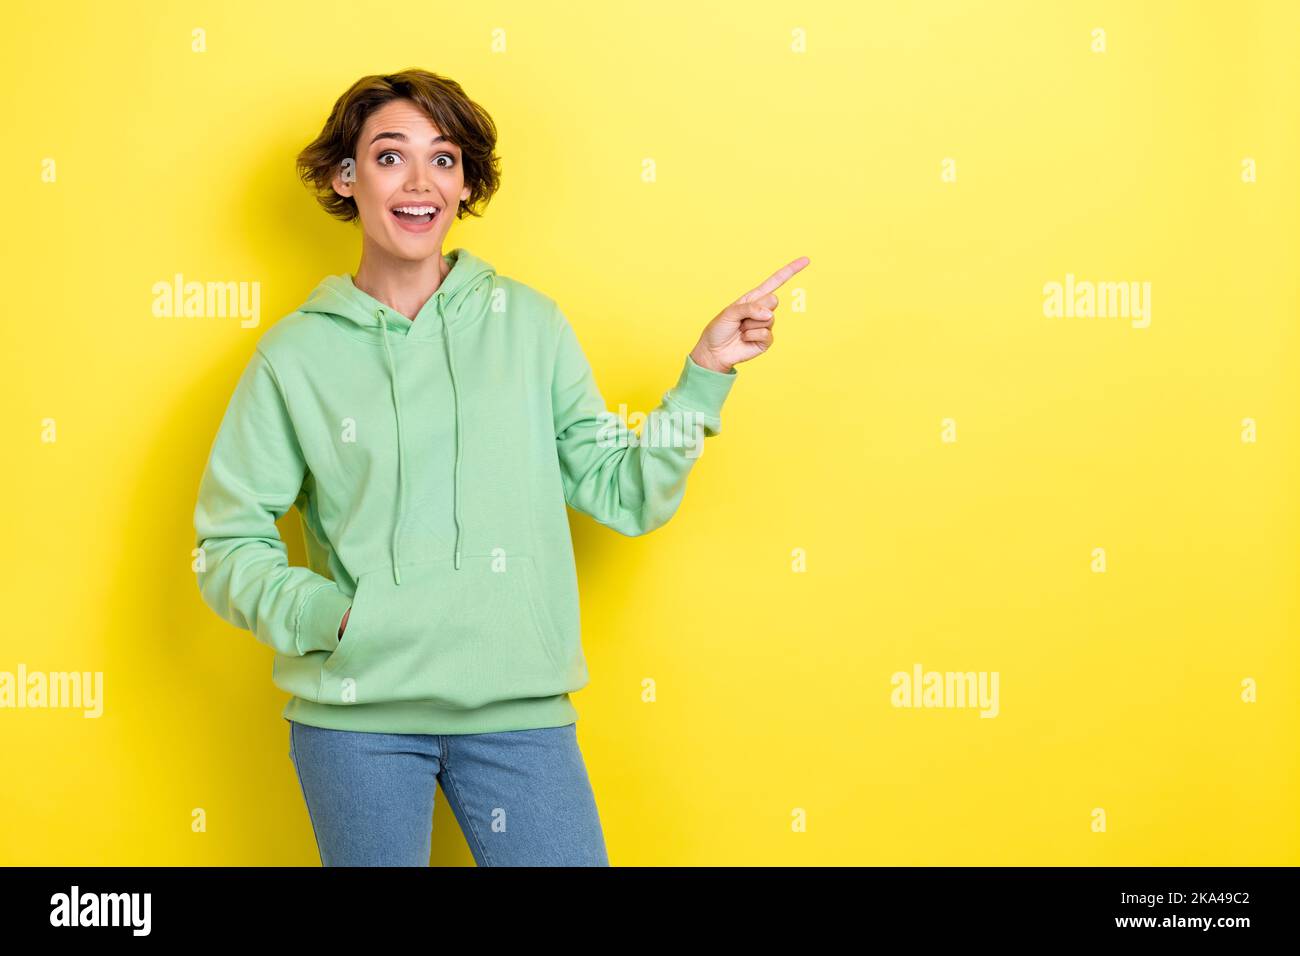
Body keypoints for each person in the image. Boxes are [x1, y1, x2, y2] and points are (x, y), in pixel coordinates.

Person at [192, 67, 808, 866]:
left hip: (518, 713)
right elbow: (228, 543)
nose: (420, 182)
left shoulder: (531, 325)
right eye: (389, 157)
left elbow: (625, 494)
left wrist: (706, 373)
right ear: (346, 178)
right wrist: (336, 621)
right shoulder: (294, 355)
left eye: (444, 159)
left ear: (465, 183)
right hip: (357, 721)